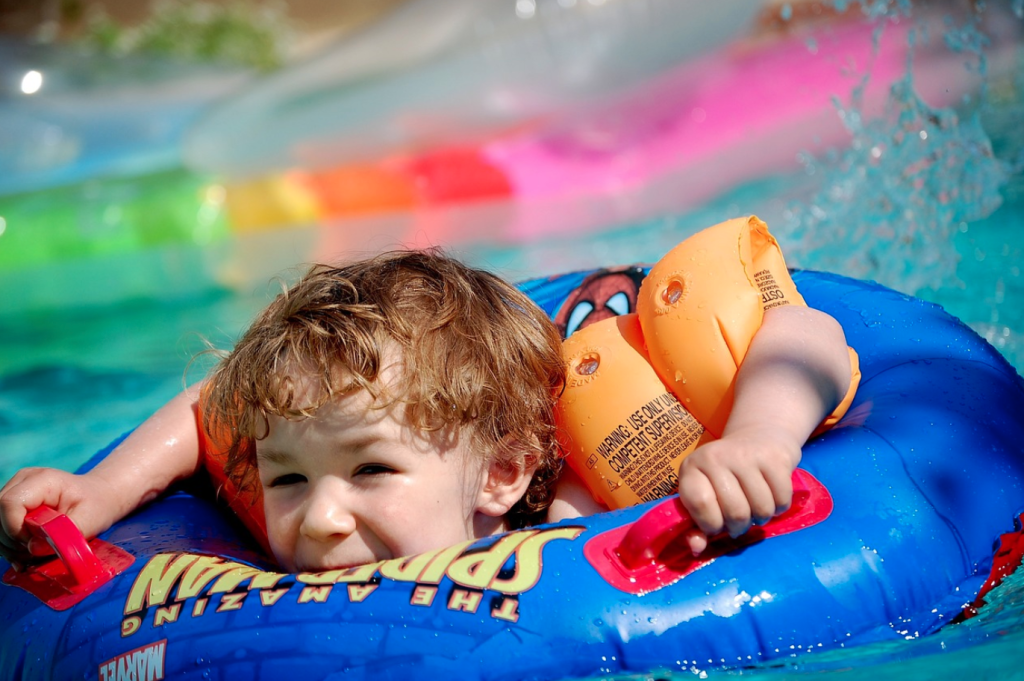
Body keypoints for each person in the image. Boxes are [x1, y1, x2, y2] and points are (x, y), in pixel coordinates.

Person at [0, 243, 852, 572]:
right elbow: (206, 408)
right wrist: (102, 493)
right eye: (288, 477)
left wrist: (755, 441)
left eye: (372, 468)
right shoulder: (302, 467)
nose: (320, 518)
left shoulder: (579, 506)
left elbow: (801, 333)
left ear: (503, 469)